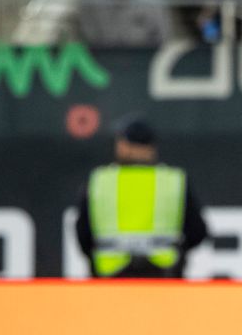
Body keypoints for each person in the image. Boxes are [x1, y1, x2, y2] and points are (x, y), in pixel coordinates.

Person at [75, 115, 209, 279]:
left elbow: (83, 234)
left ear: (125, 145)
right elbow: (197, 232)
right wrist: (177, 254)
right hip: (163, 277)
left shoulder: (100, 180)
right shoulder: (173, 180)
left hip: (110, 279)